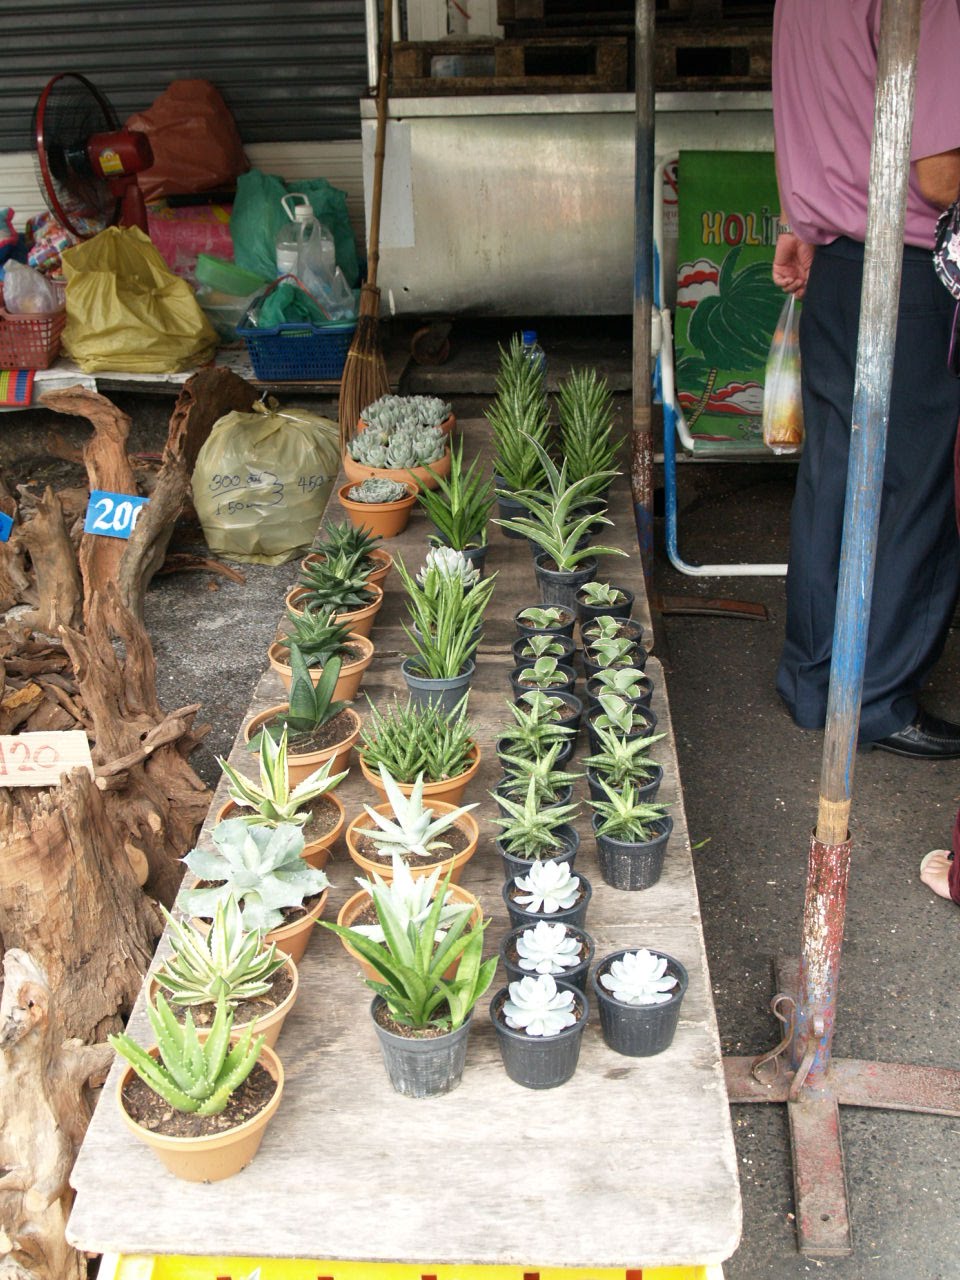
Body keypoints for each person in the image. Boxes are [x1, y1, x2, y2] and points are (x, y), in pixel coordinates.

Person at [772, 0, 960, 758]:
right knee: (914, 489)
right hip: (911, 270)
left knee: (836, 475)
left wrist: (805, 219)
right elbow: (941, 172)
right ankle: (878, 697)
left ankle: (813, 680)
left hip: (836, 261)